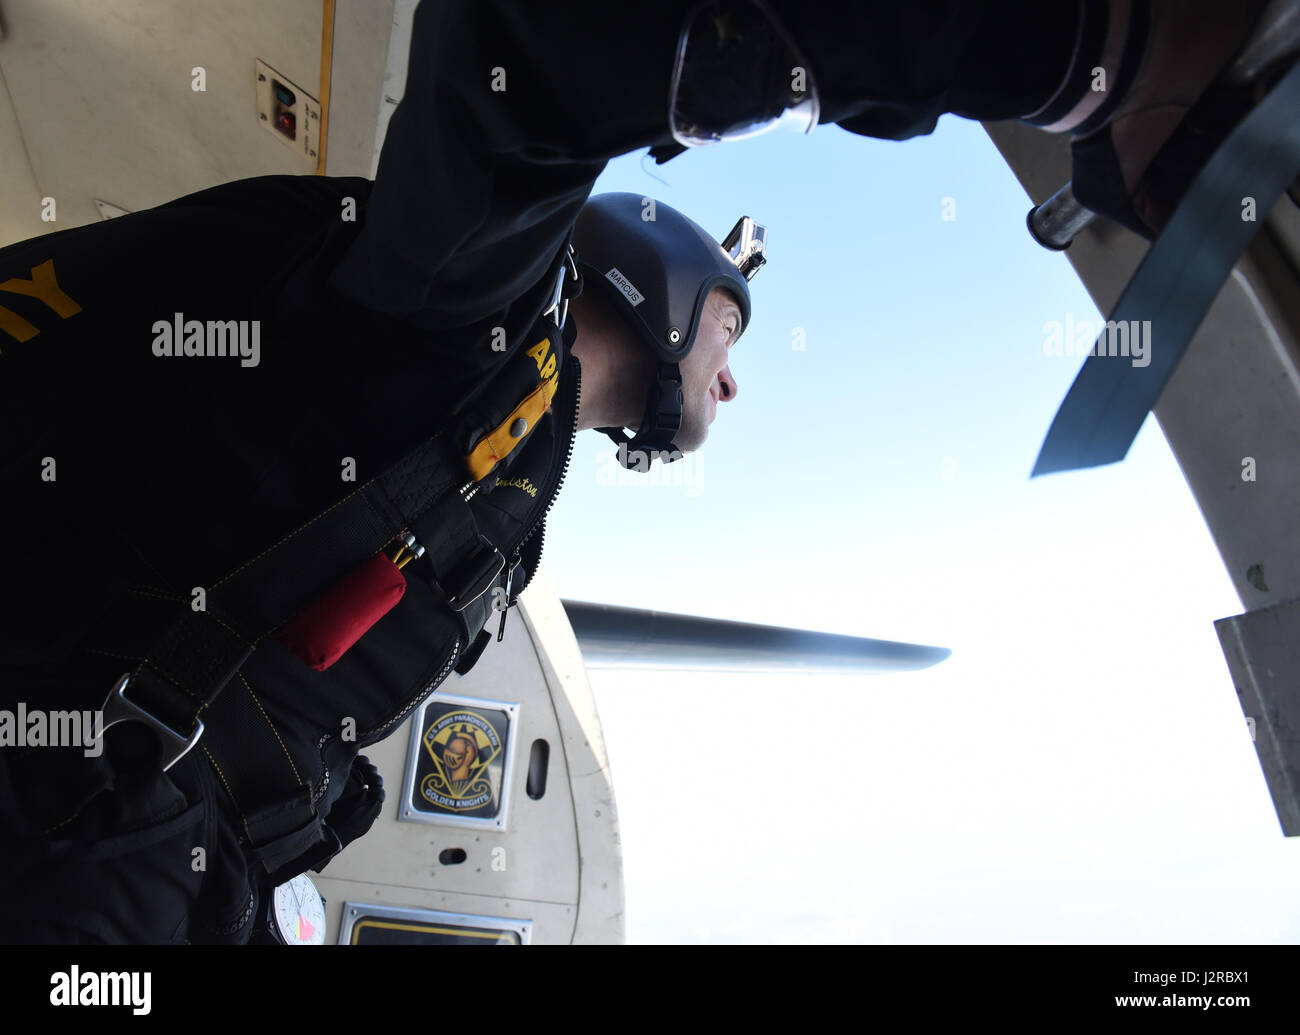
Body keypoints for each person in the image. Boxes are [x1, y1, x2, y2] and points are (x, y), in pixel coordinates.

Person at [0, 0, 1291, 943]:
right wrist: (1090, 58)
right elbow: (529, 57)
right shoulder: (461, 339)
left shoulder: (492, 463)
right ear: (664, 294)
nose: (731, 384)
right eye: (732, 332)